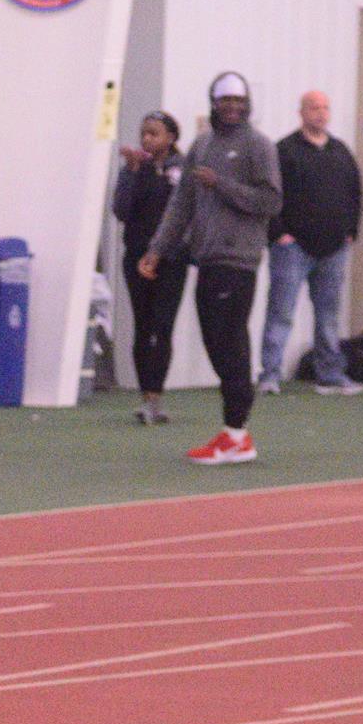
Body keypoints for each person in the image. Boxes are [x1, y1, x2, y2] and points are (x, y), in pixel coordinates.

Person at [140, 70, 282, 464]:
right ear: (214, 104)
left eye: (239, 101)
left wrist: (222, 185)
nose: (233, 108)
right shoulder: (202, 146)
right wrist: (157, 249)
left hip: (238, 259)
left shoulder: (259, 146)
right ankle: (234, 432)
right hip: (205, 257)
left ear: (248, 104)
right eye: (226, 102)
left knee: (229, 339)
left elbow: (270, 202)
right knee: (214, 340)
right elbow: (180, 205)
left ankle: (236, 432)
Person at [258, 89, 363, 395]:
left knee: (329, 315)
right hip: (292, 248)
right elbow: (270, 194)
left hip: (334, 249)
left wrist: (351, 231)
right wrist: (279, 234)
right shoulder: (284, 150)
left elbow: (356, 193)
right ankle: (270, 375)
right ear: (301, 112)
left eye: (325, 108)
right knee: (281, 312)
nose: (320, 113)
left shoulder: (341, 151)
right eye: (314, 107)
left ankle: (330, 374)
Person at [112, 110, 185, 424]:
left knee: (163, 326)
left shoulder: (181, 169)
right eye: (144, 133)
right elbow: (121, 211)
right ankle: (146, 396)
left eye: (154, 133)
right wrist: (131, 172)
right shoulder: (134, 168)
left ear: (170, 138)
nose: (146, 139)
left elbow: (185, 212)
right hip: (137, 257)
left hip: (172, 258)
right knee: (143, 326)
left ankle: (157, 395)